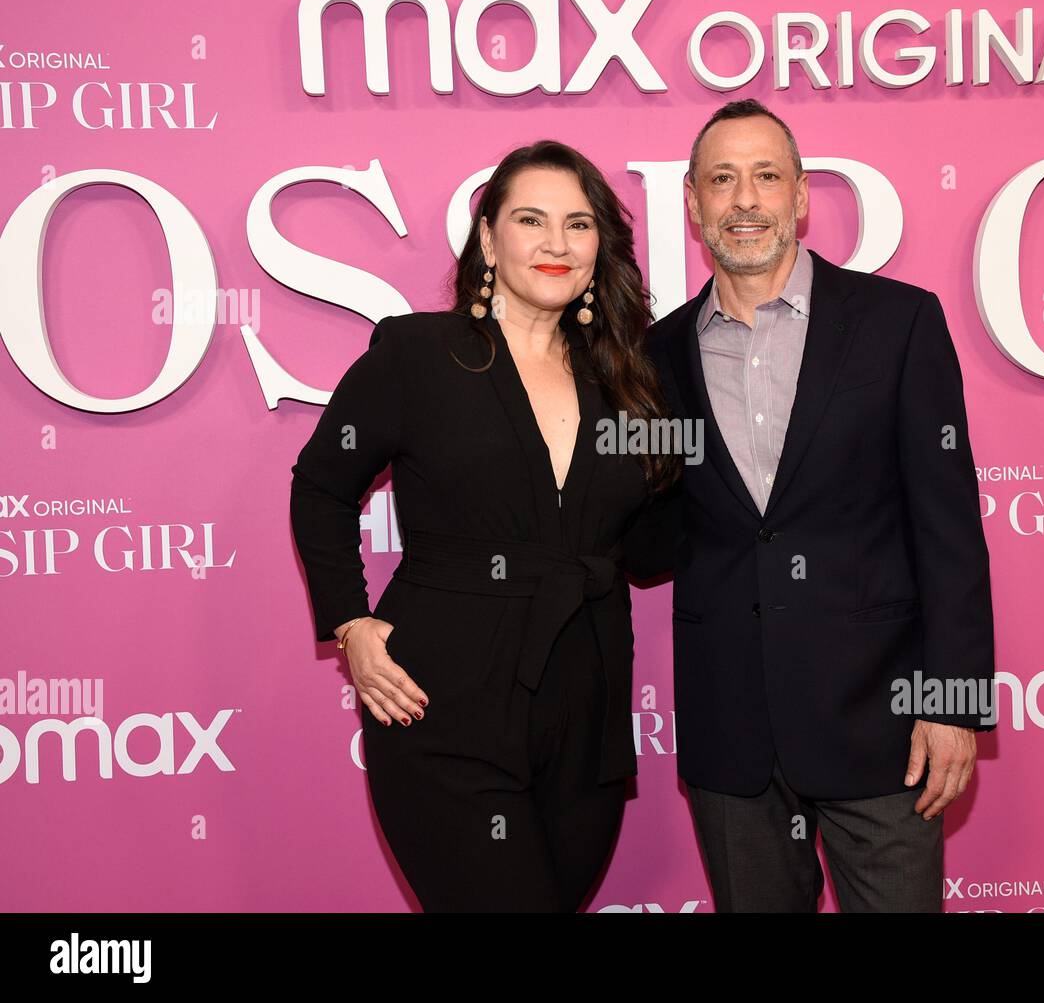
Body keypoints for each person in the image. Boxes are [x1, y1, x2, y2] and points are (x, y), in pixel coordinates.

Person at [289, 140, 680, 912]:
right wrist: (351, 622)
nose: (557, 244)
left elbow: (649, 543)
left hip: (587, 716)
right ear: (490, 240)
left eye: (578, 224)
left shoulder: (628, 378)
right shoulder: (418, 355)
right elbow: (320, 486)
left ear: (602, 246)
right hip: (443, 707)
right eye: (531, 220)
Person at [643, 99, 997, 912]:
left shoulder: (898, 323)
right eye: (722, 180)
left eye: (766, 177)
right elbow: (648, 543)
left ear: (800, 198)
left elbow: (947, 527)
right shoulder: (655, 354)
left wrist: (952, 704)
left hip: (883, 729)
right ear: (694, 205)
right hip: (733, 736)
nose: (745, 200)